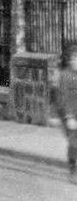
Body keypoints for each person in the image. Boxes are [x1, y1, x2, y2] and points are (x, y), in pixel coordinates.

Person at [53, 43, 77, 183]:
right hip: (70, 115)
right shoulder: (65, 76)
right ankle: (73, 170)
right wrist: (69, 117)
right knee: (74, 143)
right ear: (71, 60)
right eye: (76, 59)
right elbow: (62, 97)